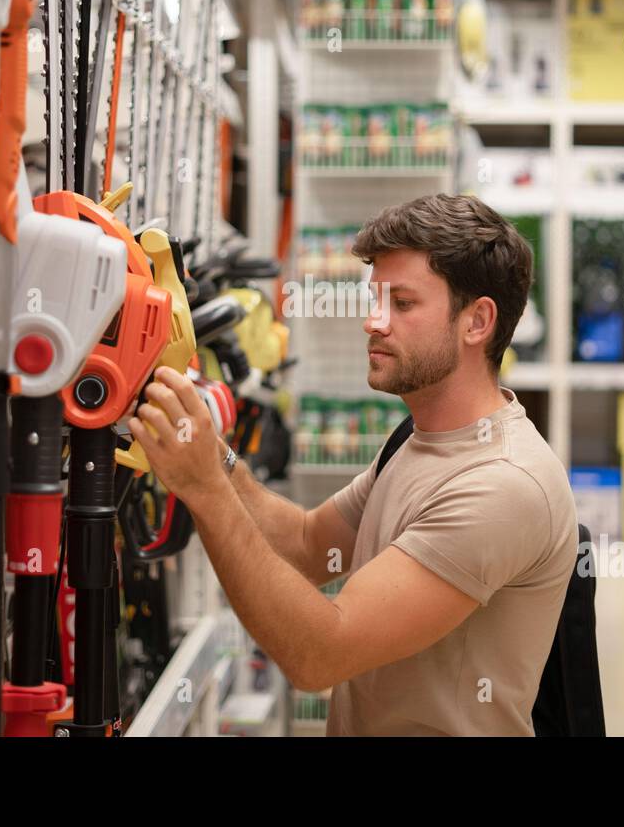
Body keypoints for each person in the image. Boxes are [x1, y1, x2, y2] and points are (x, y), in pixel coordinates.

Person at [130, 193, 578, 735]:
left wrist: (203, 486)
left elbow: (321, 653)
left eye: (403, 304)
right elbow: (304, 546)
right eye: (375, 299)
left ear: (477, 321)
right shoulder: (420, 440)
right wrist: (213, 455)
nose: (373, 322)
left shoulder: (501, 484)